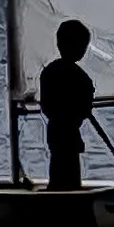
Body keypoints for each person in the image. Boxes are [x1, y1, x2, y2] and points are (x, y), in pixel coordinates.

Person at [39, 20, 95, 192]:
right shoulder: (79, 76)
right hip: (68, 130)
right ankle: (66, 193)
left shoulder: (49, 72)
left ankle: (56, 190)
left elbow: (46, 105)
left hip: (56, 128)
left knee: (58, 163)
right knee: (69, 168)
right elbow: (85, 105)